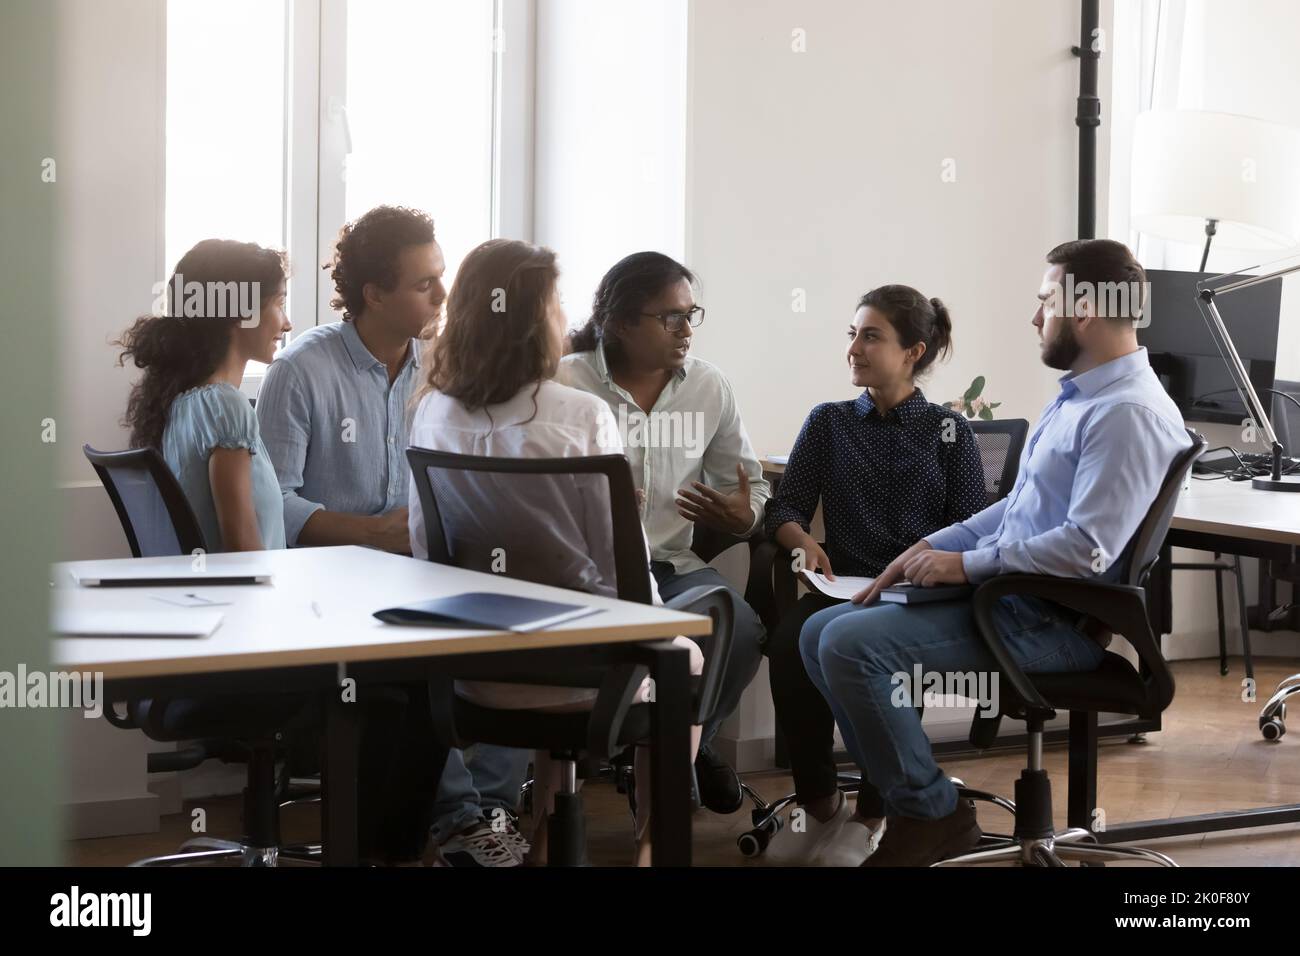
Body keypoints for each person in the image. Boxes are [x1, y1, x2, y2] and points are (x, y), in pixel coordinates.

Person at [798, 239, 1192, 866]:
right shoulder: (1081, 397)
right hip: (1011, 605)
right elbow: (1013, 511)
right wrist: (929, 546)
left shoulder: (1128, 413)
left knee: (849, 645)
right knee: (820, 629)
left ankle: (929, 815)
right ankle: (922, 807)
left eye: (1044, 301)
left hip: (1052, 621)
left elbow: (1088, 550)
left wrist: (966, 565)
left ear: (1083, 308)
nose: (1037, 317)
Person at [115, 238, 446, 864]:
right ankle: (381, 853)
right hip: (246, 651)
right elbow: (248, 560)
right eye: (279, 304)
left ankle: (377, 849)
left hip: (198, 644)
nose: (288, 322)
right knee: (420, 681)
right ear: (240, 313)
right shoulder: (226, 411)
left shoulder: (183, 405)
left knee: (403, 674)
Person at [407, 237, 704, 866]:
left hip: (472, 672)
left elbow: (420, 551)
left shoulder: (431, 412)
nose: (564, 315)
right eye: (555, 302)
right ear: (532, 319)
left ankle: (545, 836)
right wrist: (660, 624)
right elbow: (620, 569)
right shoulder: (580, 414)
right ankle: (653, 845)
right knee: (688, 656)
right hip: (583, 672)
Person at [256, 205, 531, 867]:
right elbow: (278, 505)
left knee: (519, 644)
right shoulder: (301, 370)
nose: (442, 294)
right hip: (327, 588)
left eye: (443, 279)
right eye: (424, 283)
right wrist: (369, 536)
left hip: (425, 574)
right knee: (418, 664)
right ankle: (467, 824)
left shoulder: (445, 371)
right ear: (374, 294)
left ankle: (486, 818)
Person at [761, 285, 985, 866]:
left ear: (913, 351)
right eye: (852, 334)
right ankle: (819, 803)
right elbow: (782, 508)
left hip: (917, 593)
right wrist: (803, 540)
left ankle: (872, 815)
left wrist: (923, 570)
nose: (854, 348)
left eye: (871, 336)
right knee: (788, 646)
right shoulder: (829, 422)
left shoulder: (950, 432)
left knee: (883, 657)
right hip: (842, 586)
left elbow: (968, 527)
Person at [559, 252, 769, 812]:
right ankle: (644, 748)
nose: (684, 331)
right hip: (585, 572)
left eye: (690, 315)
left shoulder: (709, 387)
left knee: (739, 628)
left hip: (670, 566)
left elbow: (750, 488)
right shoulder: (565, 380)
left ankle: (687, 740)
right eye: (668, 317)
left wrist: (739, 516)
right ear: (621, 322)